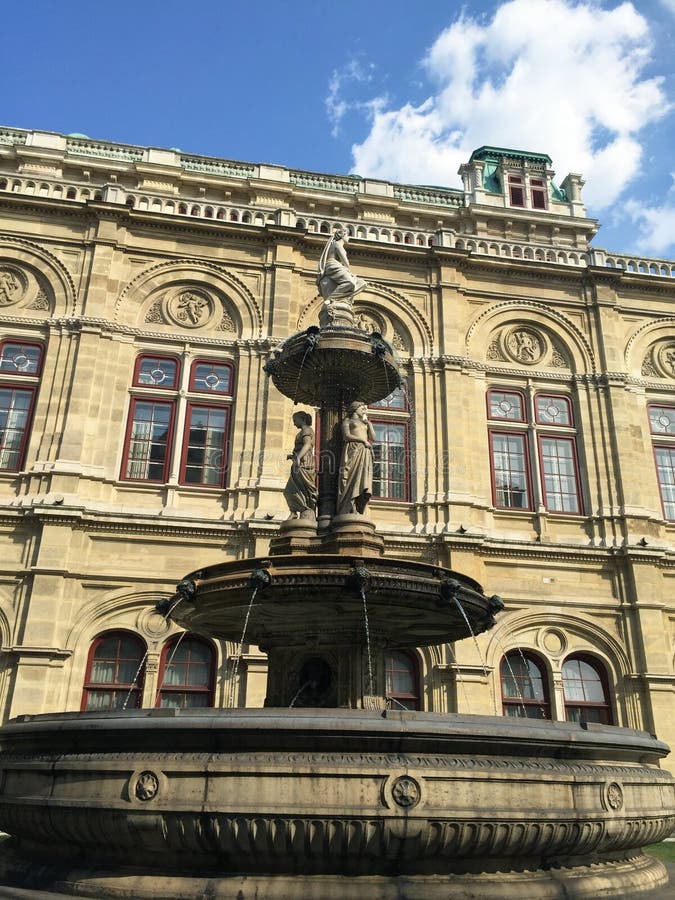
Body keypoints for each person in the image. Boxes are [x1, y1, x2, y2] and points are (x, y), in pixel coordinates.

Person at [338, 401, 375, 515]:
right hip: (352, 449)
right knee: (350, 477)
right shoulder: (347, 421)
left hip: (364, 451)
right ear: (355, 408)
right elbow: (346, 436)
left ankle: (359, 507)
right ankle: (350, 506)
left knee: (363, 478)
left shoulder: (365, 423)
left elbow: (373, 437)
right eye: (362, 408)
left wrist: (369, 425)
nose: (364, 410)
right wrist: (363, 440)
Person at [283, 412, 317, 520]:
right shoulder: (302, 431)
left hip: (304, 462)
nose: (294, 423)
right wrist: (293, 456)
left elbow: (307, 445)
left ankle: (306, 508)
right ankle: (294, 511)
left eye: (295, 420)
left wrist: (298, 457)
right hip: (299, 461)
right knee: (291, 489)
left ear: (301, 419)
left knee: (300, 488)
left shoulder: (306, 430)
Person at [317, 229, 367, 302]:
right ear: (342, 235)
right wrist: (350, 273)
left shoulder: (336, 244)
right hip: (333, 265)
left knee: (363, 284)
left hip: (337, 266)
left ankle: (343, 297)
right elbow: (345, 261)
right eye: (347, 235)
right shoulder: (337, 244)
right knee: (350, 282)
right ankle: (331, 298)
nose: (348, 238)